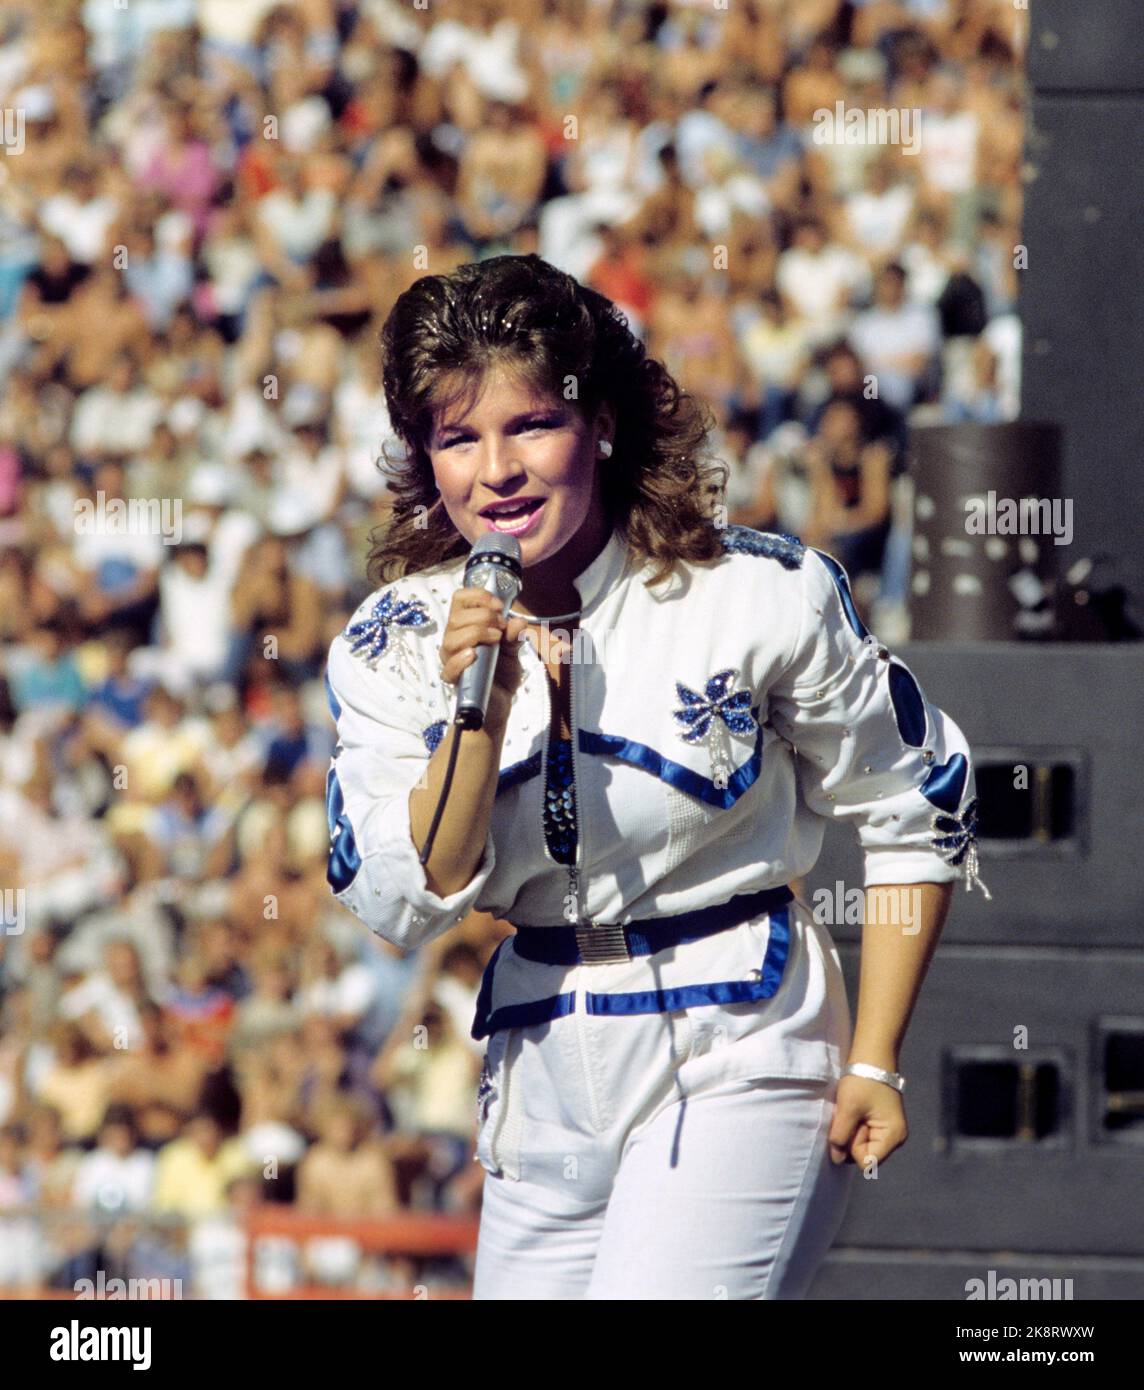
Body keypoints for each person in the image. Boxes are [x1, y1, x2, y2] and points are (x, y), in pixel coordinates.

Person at [323, 253, 986, 1300]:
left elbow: (915, 799)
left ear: (601, 423)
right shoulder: (392, 643)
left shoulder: (757, 594)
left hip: (741, 1043)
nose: (495, 470)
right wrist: (480, 723)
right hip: (537, 1067)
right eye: (458, 438)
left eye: (530, 424)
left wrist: (875, 1056)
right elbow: (406, 901)